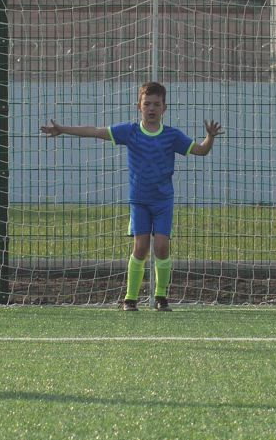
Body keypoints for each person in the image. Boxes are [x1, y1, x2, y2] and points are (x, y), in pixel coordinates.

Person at [40, 81, 223, 311]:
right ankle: (130, 298)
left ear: (164, 108)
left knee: (162, 247)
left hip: (163, 201)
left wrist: (210, 137)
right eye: (147, 104)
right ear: (139, 106)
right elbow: (95, 131)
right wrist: (63, 129)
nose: (151, 108)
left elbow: (201, 150)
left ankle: (161, 297)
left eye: (156, 104)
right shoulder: (130, 131)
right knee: (141, 247)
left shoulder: (172, 136)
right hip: (139, 201)